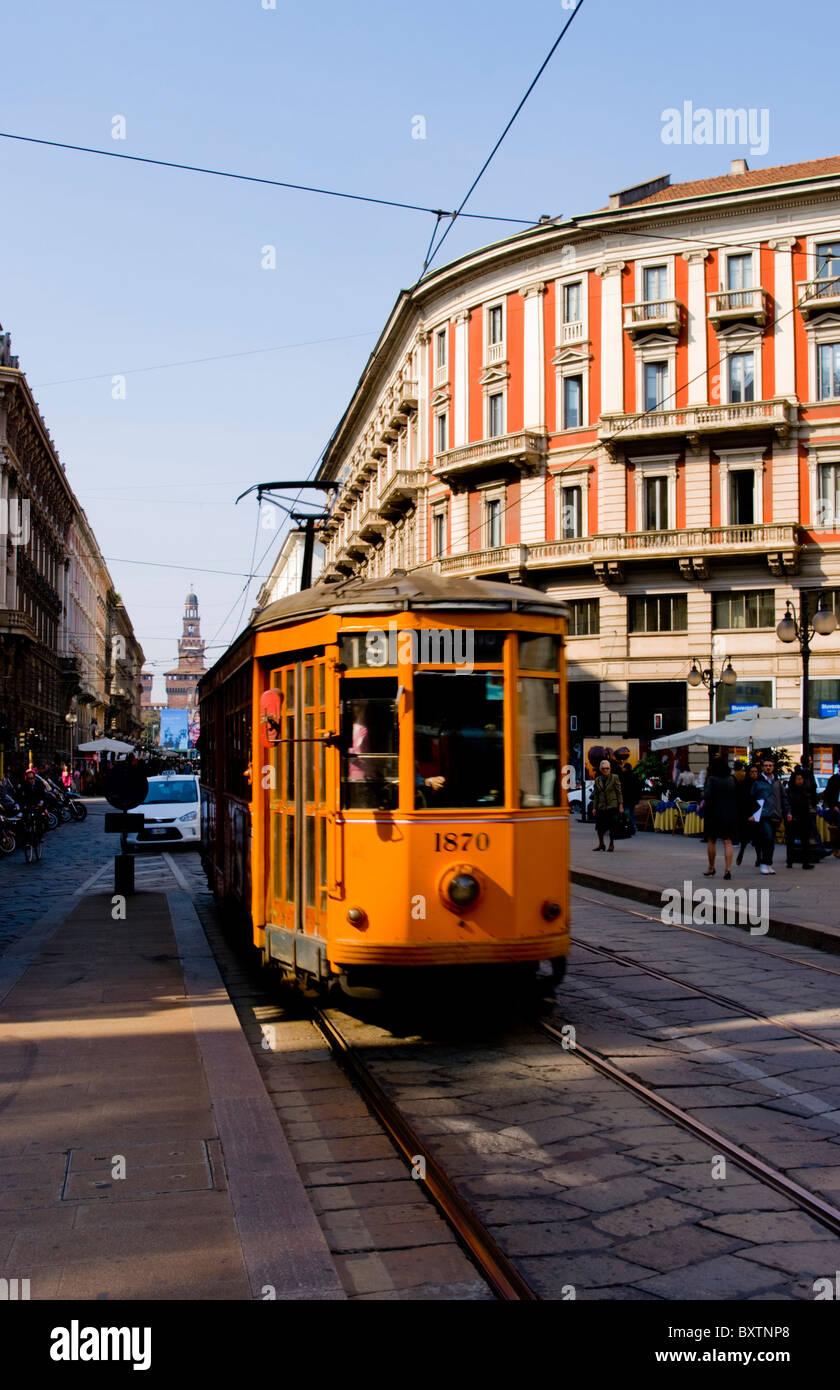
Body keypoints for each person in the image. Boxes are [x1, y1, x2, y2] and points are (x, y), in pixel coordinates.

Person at [700, 756, 737, 878]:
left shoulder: (712, 779)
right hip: (729, 814)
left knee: (712, 840)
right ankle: (727, 869)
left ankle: (711, 867)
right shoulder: (732, 779)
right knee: (728, 841)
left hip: (713, 813)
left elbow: (707, 795)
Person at [752, 757, 788, 875]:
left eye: (770, 765)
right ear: (762, 767)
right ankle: (764, 862)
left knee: (771, 840)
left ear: (773, 767)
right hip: (763, 814)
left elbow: (783, 798)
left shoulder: (777, 782)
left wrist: (787, 812)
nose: (768, 767)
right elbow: (751, 798)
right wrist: (752, 813)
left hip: (775, 814)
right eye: (766, 765)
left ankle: (768, 863)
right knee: (766, 838)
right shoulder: (758, 782)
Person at [591, 758, 623, 852]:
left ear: (610, 768)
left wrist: (620, 805)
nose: (605, 770)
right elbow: (596, 795)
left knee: (612, 827)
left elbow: (619, 792)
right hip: (601, 806)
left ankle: (611, 844)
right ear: (600, 769)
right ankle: (601, 844)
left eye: (607, 768)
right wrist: (594, 807)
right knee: (599, 827)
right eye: (603, 768)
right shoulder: (597, 779)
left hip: (612, 806)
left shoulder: (614, 777)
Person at [785, 769, 815, 870]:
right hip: (793, 819)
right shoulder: (789, 792)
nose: (800, 781)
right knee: (790, 841)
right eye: (798, 779)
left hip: (804, 818)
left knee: (805, 841)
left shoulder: (804, 791)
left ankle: (806, 862)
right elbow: (788, 804)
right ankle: (790, 861)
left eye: (801, 779)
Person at [734, 762, 760, 867]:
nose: (754, 774)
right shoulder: (744, 784)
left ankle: (759, 858)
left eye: (755, 772)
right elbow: (739, 799)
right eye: (752, 772)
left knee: (758, 838)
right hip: (746, 813)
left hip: (758, 812)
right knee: (745, 837)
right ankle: (741, 851)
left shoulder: (759, 783)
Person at [619, 759, 641, 833]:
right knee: (631, 812)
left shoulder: (624, 776)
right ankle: (633, 826)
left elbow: (623, 788)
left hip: (626, 798)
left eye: (623, 768)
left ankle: (628, 827)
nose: (622, 769)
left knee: (627, 813)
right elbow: (638, 788)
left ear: (625, 768)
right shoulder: (635, 775)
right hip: (633, 798)